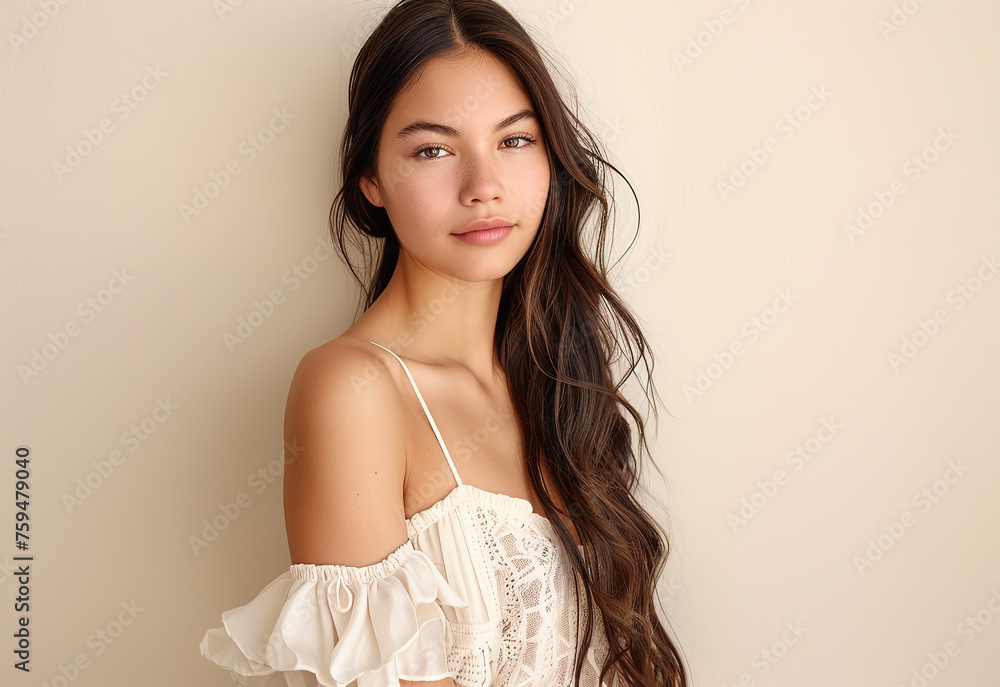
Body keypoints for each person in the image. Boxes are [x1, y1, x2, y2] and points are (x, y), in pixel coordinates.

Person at [199, 1, 687, 685]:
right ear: (371, 179)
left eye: (515, 140)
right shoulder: (352, 388)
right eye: (433, 150)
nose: (484, 187)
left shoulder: (557, 376)